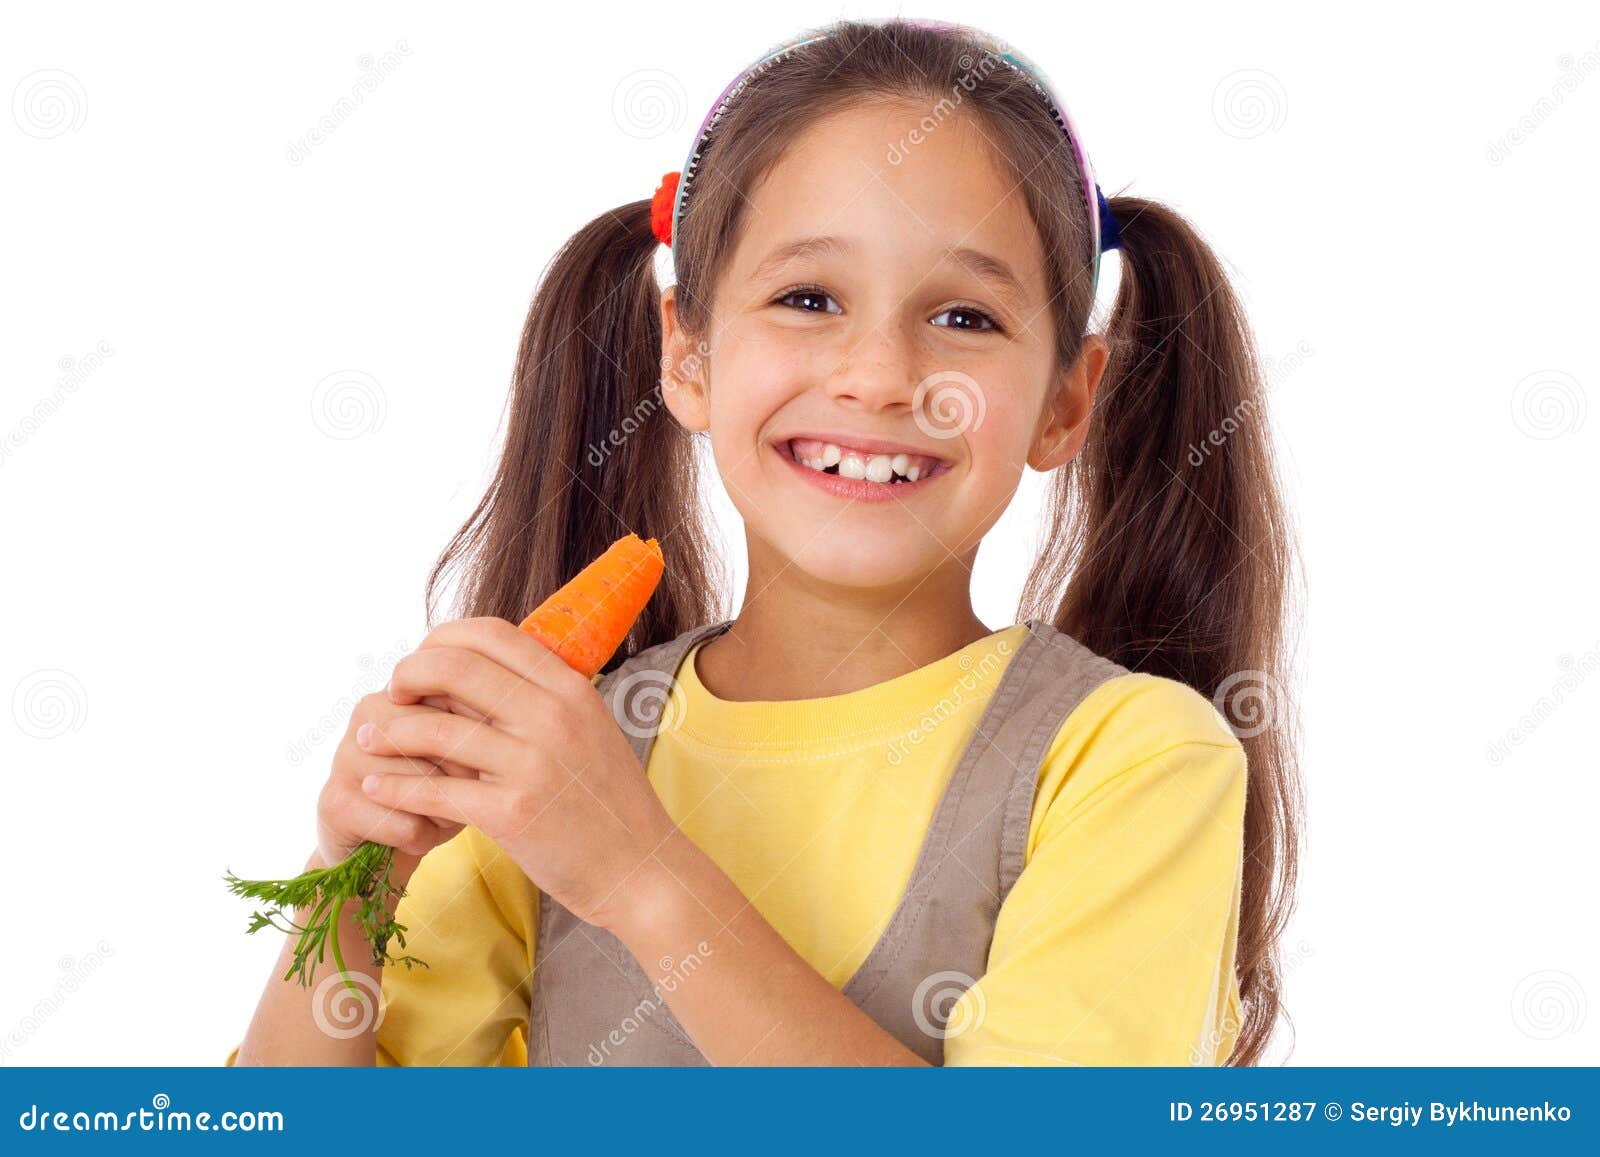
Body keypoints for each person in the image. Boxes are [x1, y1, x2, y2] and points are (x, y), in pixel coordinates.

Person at [232, 16, 1301, 1067]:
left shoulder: (1130, 760)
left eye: (965, 316)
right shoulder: (557, 755)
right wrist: (354, 882)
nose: (878, 375)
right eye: (806, 297)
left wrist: (637, 871)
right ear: (687, 356)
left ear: (1066, 403)